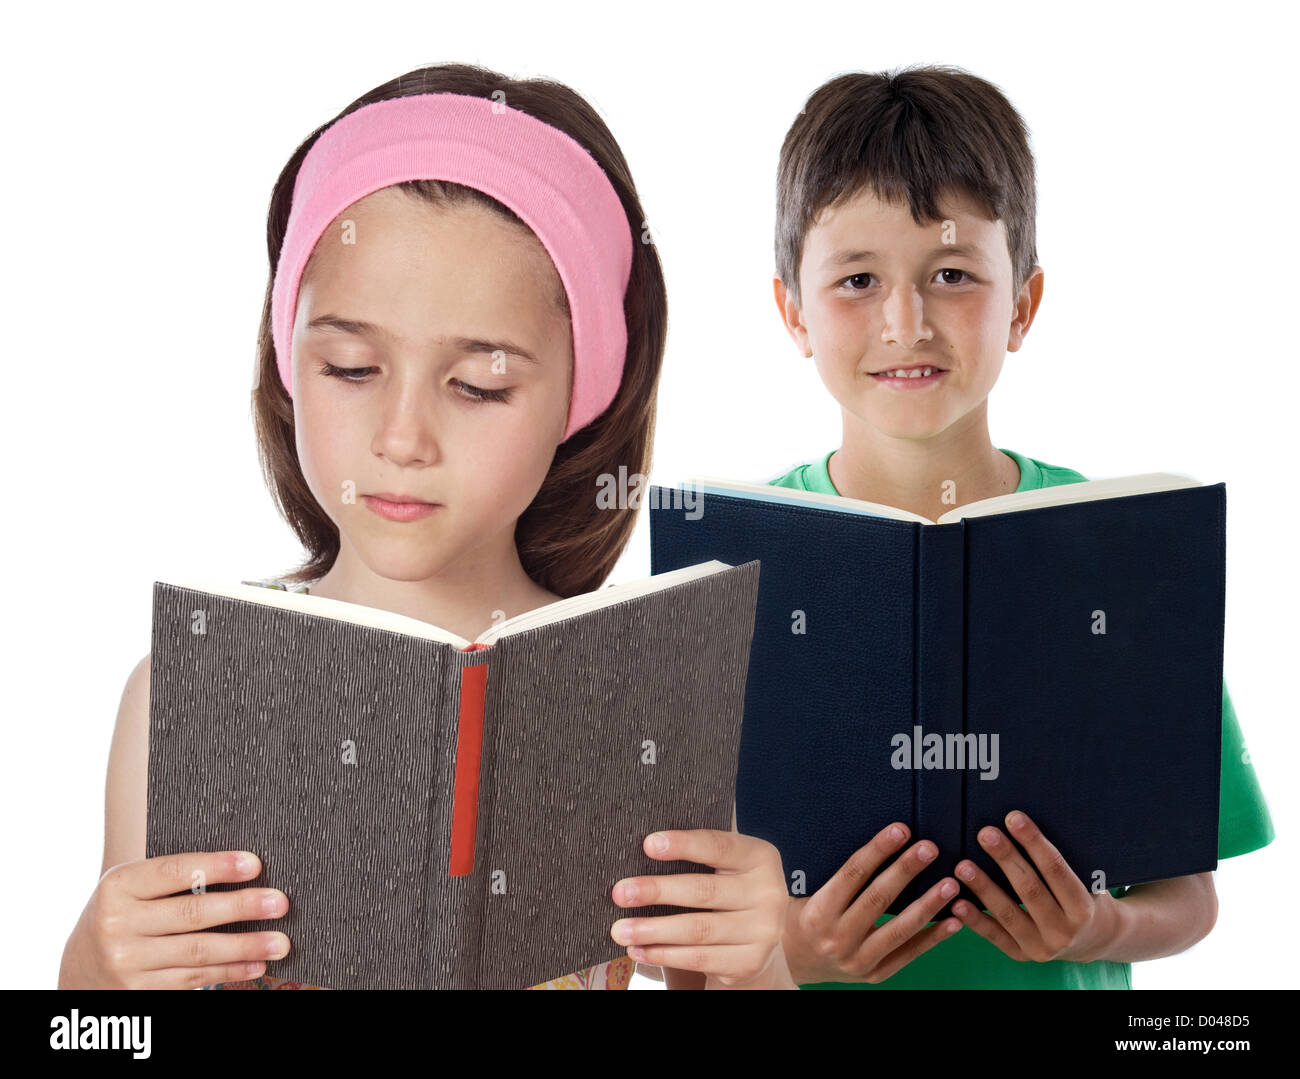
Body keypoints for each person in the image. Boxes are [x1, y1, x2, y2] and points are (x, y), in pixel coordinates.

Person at [58, 63, 793, 991]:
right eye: (353, 367)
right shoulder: (180, 696)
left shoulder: (638, 696)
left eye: (480, 384)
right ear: (289, 358)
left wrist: (756, 960)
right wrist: (92, 971)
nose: (402, 439)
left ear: (583, 394)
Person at [764, 65, 1274, 989]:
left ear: (1023, 305)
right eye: (858, 279)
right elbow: (663, 916)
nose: (905, 320)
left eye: (952, 274)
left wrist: (1096, 925)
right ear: (792, 310)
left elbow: (1191, 897)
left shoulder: (1116, 549)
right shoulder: (732, 563)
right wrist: (791, 952)